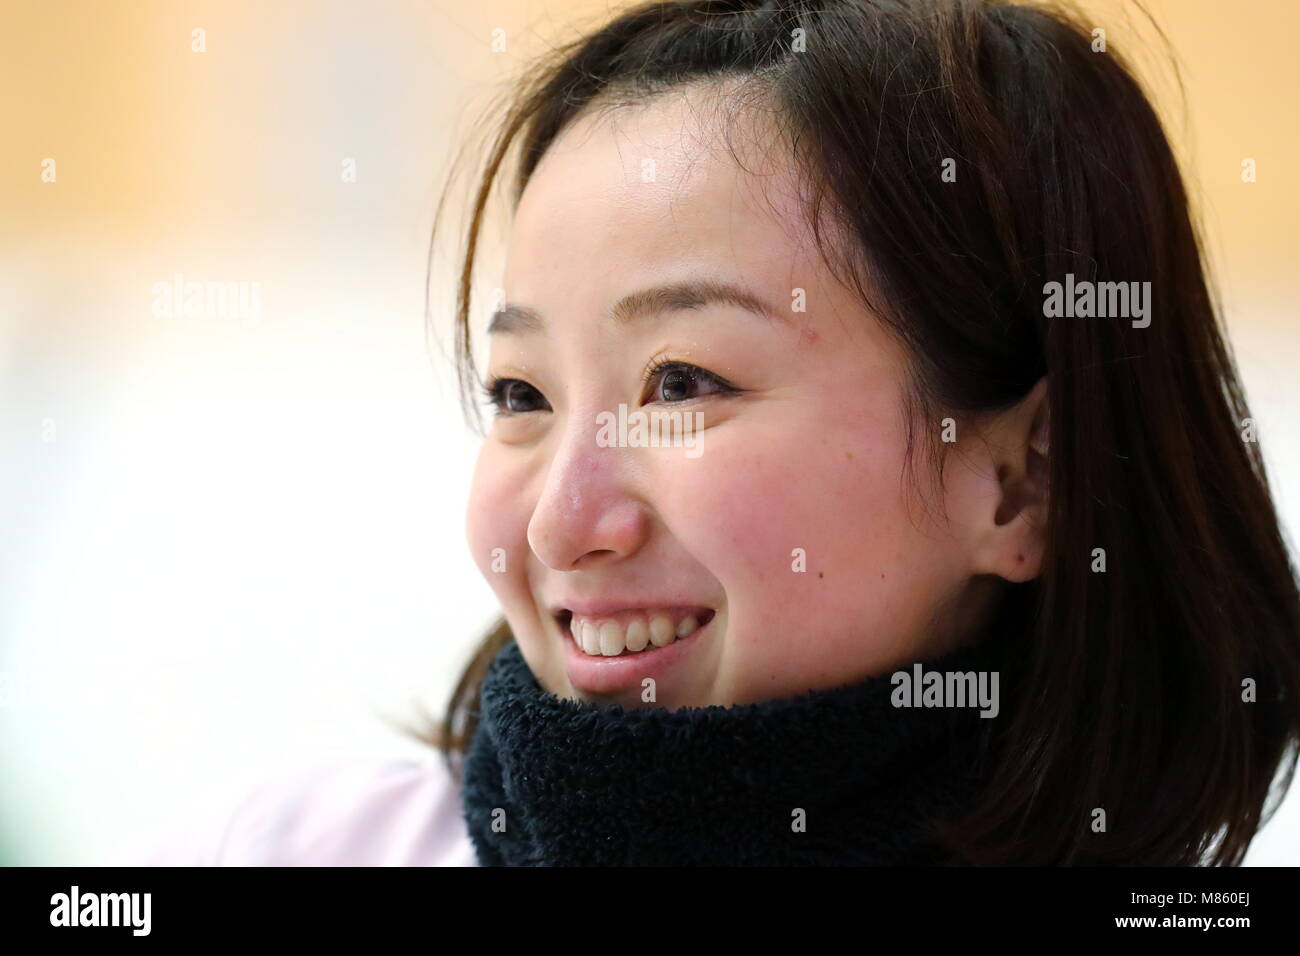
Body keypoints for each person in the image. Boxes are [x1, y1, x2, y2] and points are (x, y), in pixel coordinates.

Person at [132, 0, 1300, 867]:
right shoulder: (287, 846)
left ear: (1020, 480)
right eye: (519, 394)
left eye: (681, 380)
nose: (562, 520)